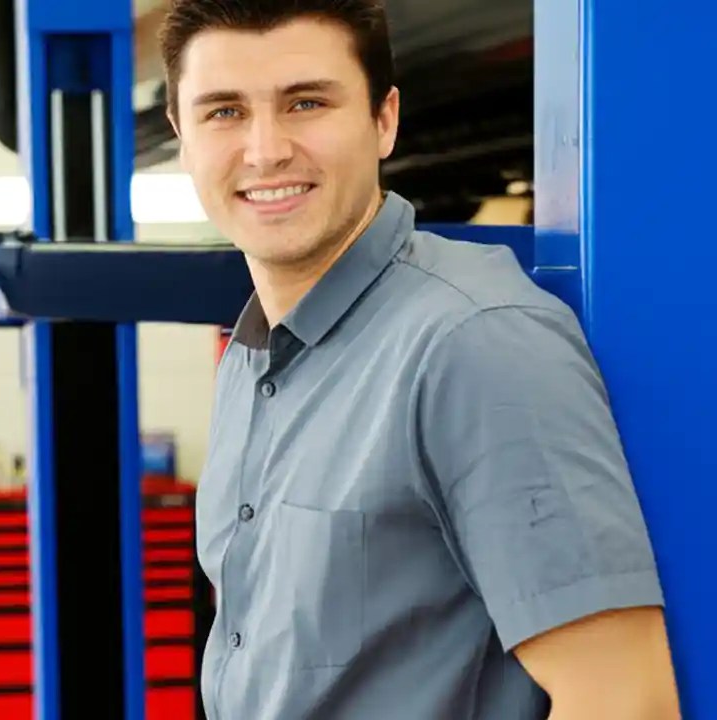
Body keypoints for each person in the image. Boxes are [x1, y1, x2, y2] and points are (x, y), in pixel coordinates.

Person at [156, 1, 682, 717]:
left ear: (384, 119)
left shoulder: (473, 344)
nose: (265, 150)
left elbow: (623, 699)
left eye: (306, 102)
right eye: (224, 112)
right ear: (182, 136)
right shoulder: (252, 361)